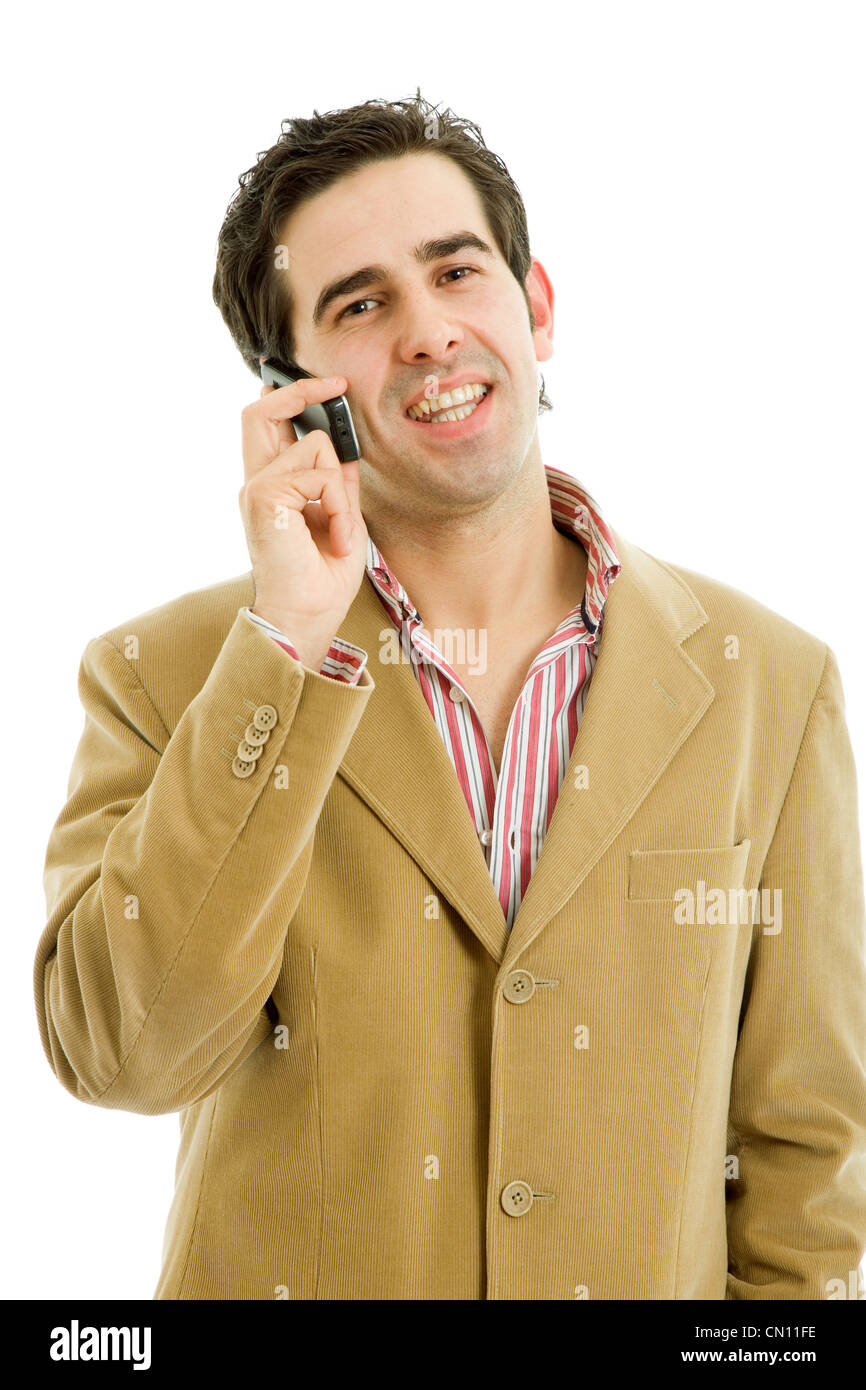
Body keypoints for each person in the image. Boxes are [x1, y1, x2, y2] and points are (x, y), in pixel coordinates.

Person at [34, 93, 866, 1301]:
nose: (428, 333)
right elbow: (122, 1052)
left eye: (454, 272)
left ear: (533, 305)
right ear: (293, 391)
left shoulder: (770, 686)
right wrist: (286, 642)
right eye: (360, 304)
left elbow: (804, 1159)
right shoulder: (164, 676)